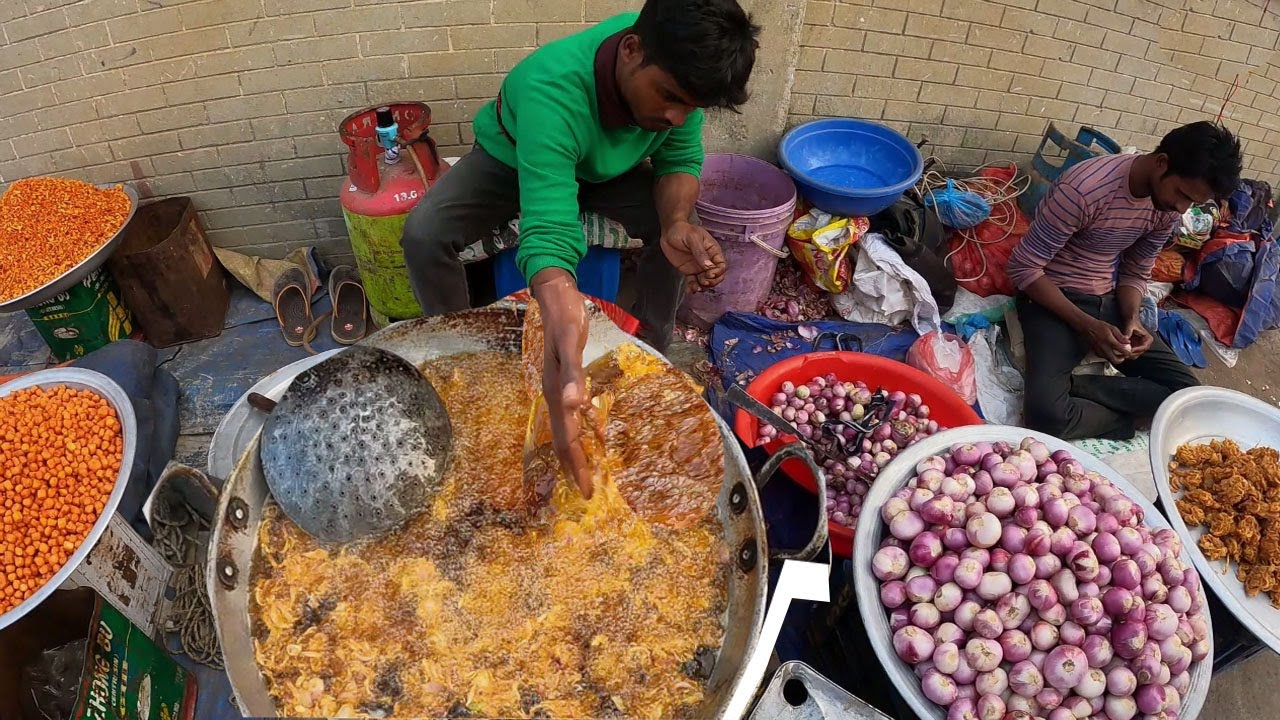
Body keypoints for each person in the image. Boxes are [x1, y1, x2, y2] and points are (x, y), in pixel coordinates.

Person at [400, 0, 760, 496]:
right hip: (518, 161)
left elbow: (680, 157)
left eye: (691, 108)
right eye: (670, 98)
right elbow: (550, 229)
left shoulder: (679, 75)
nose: (677, 117)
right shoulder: (552, 88)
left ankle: (647, 361)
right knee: (423, 234)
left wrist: (675, 220)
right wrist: (566, 358)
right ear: (631, 51)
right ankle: (466, 366)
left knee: (678, 233)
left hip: (608, 173)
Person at [1007, 121, 1242, 440]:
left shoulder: (1166, 207)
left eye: (1193, 203)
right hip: (1053, 298)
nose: (1181, 208)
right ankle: (1125, 421)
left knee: (1188, 397)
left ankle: (1081, 388)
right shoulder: (1084, 189)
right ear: (1161, 163)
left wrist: (1132, 320)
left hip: (1109, 299)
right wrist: (1087, 325)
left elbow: (1136, 269)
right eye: (1182, 195)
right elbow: (1024, 267)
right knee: (1046, 417)